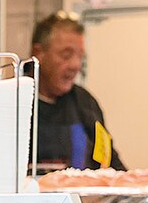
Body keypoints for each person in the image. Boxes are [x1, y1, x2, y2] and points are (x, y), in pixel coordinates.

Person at [30, 11, 124, 169]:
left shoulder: (85, 103)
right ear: (38, 53)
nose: (76, 65)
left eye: (80, 56)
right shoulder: (11, 103)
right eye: (66, 55)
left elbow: (109, 162)